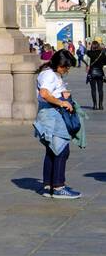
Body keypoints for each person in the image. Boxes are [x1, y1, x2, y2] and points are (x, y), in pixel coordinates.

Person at [34, 50, 81, 198]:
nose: (67, 70)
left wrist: (62, 94)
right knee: (61, 149)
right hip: (52, 115)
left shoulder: (51, 73)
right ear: (59, 64)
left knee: (52, 149)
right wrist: (62, 102)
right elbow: (44, 94)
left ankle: (49, 185)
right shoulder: (49, 74)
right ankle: (59, 187)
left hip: (50, 114)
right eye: (65, 67)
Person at [85, 41, 106, 111]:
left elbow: (86, 53)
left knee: (93, 90)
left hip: (92, 73)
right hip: (100, 73)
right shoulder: (102, 54)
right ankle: (101, 105)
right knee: (100, 90)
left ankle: (95, 105)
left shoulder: (90, 53)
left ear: (92, 46)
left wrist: (89, 47)